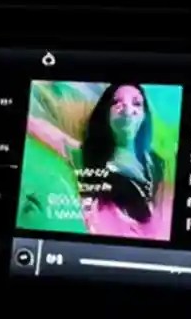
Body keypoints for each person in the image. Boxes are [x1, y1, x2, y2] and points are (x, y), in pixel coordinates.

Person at [26, 83, 170, 240]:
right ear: (106, 114)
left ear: (144, 115)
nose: (127, 109)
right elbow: (56, 137)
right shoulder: (89, 157)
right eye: (116, 102)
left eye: (136, 103)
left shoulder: (156, 164)